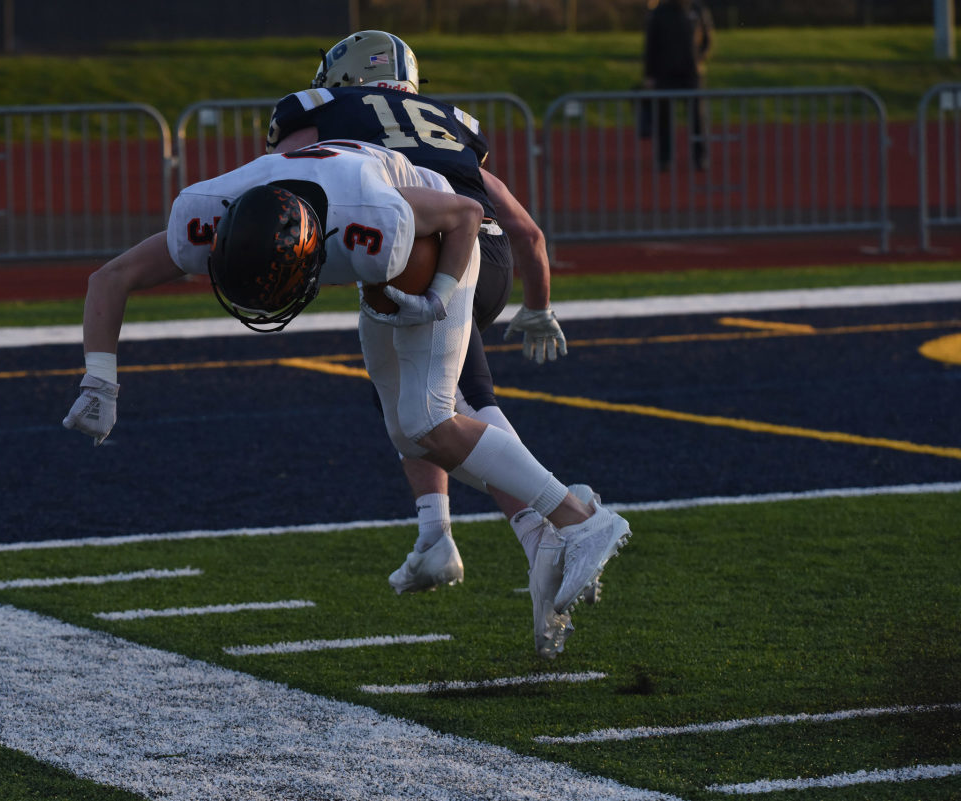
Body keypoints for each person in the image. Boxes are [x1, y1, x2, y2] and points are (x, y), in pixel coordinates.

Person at [61, 139, 632, 658]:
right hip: (364, 238)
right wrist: (99, 382)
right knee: (406, 434)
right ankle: (541, 528)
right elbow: (108, 279)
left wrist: (436, 298)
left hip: (429, 245)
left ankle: (581, 519)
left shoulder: (372, 222)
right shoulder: (202, 217)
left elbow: (463, 214)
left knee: (430, 419)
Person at [265, 30, 584, 611]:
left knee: (433, 413)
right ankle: (439, 532)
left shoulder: (320, 111)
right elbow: (529, 232)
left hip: (434, 258)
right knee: (433, 395)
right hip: (492, 259)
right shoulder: (445, 121)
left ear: (344, 73)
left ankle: (558, 522)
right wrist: (537, 308)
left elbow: (282, 181)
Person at [643, 0, 714, 170]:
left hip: (691, 75)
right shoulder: (660, 12)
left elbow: (707, 39)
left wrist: (700, 59)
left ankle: (700, 157)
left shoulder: (697, 9)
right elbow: (650, 44)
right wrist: (649, 75)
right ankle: (665, 159)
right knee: (664, 119)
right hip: (665, 75)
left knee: (697, 118)